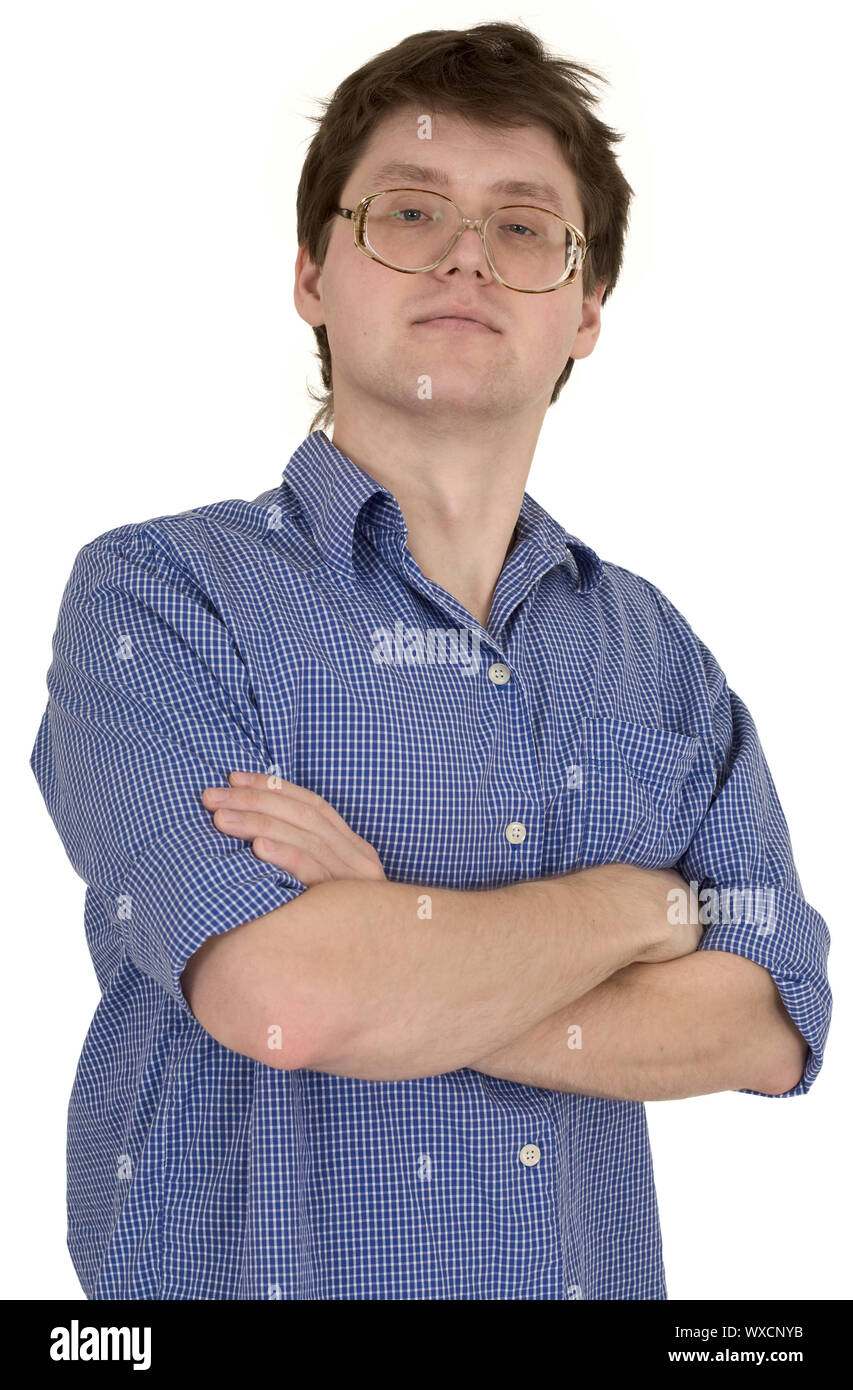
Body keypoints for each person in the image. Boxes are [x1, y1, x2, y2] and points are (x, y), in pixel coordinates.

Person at [30, 21, 830, 1301]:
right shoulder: (163, 595)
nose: (466, 252)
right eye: (408, 211)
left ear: (585, 312)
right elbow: (284, 997)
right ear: (310, 274)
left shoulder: (660, 657)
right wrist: (643, 910)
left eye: (523, 227)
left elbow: (774, 1019)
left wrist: (394, 950)